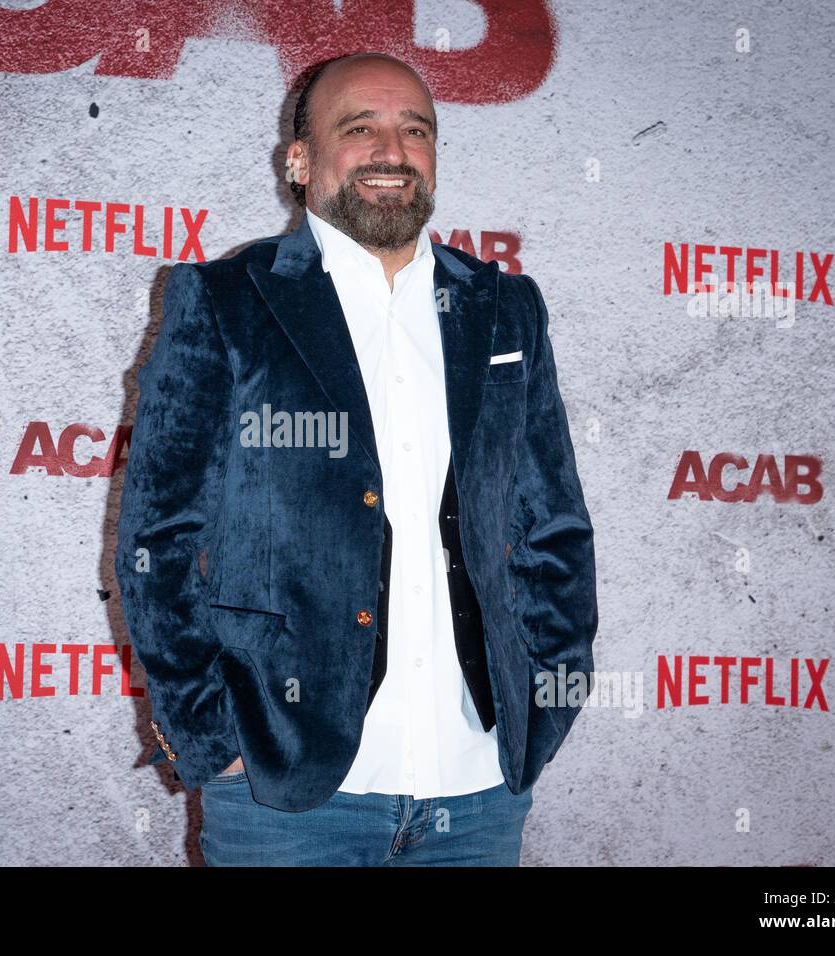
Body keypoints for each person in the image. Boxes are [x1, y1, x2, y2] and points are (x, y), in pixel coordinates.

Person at [115, 52, 598, 866]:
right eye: (359, 127)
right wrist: (211, 740)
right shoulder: (227, 302)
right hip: (288, 797)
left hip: (479, 789)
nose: (391, 149)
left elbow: (553, 527)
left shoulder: (505, 308)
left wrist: (546, 707)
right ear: (299, 160)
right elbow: (158, 542)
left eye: (416, 129)